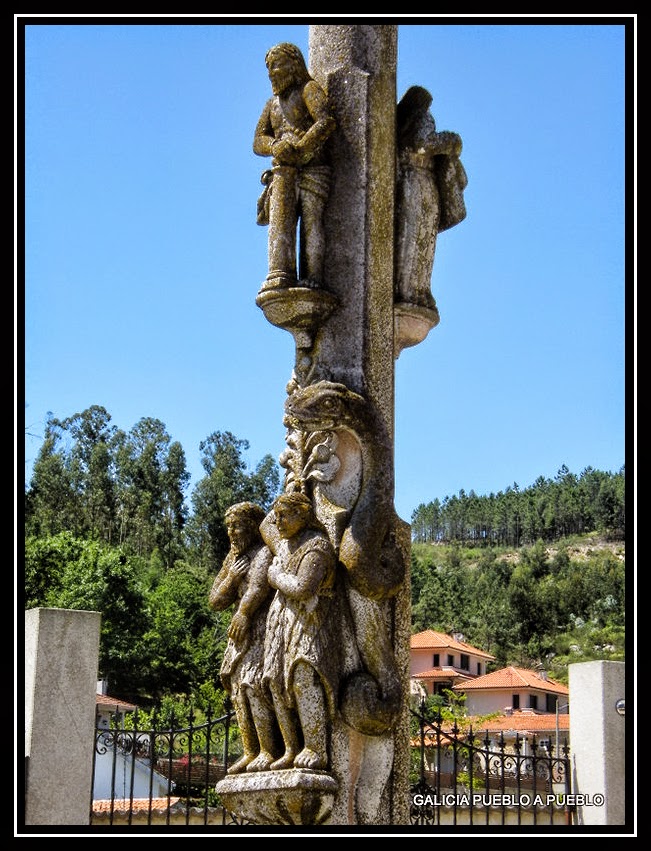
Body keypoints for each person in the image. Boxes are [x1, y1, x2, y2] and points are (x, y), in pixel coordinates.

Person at [258, 491, 340, 772]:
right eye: (277, 515)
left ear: (302, 515)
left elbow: (304, 588)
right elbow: (265, 524)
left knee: (303, 677)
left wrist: (275, 576)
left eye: (284, 515)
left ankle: (316, 747)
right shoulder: (284, 544)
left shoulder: (316, 547)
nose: (278, 521)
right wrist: (294, 484)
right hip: (281, 624)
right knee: (274, 681)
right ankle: (292, 747)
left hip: (308, 625)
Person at [253, 42, 336, 292]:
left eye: (276, 66)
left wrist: (301, 148)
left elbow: (326, 121)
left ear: (293, 65)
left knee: (311, 222)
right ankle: (281, 275)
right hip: (284, 172)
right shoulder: (272, 104)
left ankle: (313, 276)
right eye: (269, 68)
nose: (272, 73)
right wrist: (276, 145)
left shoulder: (308, 90)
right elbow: (258, 141)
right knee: (281, 223)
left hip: (312, 169)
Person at [208, 502, 279, 774]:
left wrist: (244, 613)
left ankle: (268, 750)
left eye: (237, 526)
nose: (231, 532)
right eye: (229, 526)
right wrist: (232, 578)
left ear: (251, 526)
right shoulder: (233, 558)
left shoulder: (263, 551)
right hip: (239, 634)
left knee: (253, 685)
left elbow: (259, 587)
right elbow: (215, 600)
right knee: (238, 690)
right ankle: (250, 751)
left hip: (259, 628)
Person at [394, 85, 468, 309]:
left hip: (421, 184)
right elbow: (422, 144)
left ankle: (418, 289)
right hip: (417, 183)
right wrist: (452, 141)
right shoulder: (421, 118)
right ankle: (409, 290)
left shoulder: (409, 123)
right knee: (415, 235)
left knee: (423, 237)